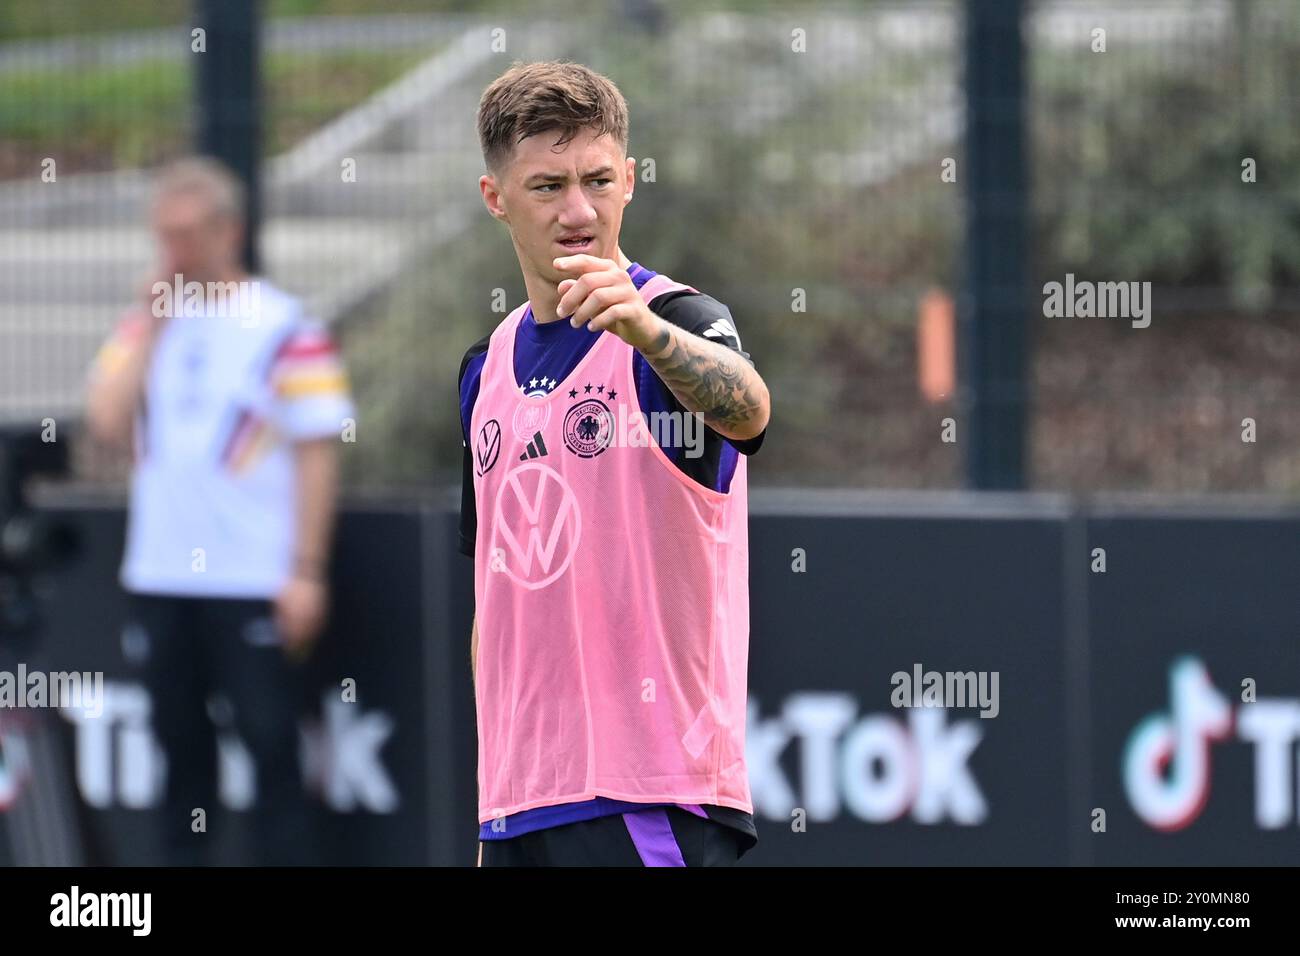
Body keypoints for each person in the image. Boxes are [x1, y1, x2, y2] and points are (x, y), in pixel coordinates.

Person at [460, 61, 772, 866]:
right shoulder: (484, 370)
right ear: (496, 197)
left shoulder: (675, 320)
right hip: (521, 807)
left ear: (629, 180)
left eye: (598, 181)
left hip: (648, 792)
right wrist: (495, 803)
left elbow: (749, 412)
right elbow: (493, 595)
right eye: (548, 186)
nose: (579, 210)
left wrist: (648, 333)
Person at [85, 156, 354, 865]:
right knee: (178, 753)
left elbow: (318, 452)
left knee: (271, 747)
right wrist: (151, 323)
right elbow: (105, 422)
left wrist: (306, 570)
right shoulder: (145, 325)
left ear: (228, 230)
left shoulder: (284, 324)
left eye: (185, 235)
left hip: (251, 579)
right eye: (162, 236)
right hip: (161, 575)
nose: (172, 252)